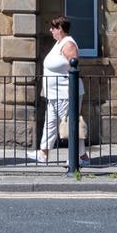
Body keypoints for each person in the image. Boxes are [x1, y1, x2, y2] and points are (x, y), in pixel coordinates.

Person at [37, 15, 87, 165]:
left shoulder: (68, 44)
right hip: (54, 94)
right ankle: (43, 153)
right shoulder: (59, 42)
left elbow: (74, 66)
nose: (50, 30)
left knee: (69, 124)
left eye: (53, 27)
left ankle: (80, 157)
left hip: (66, 93)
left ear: (60, 29)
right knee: (50, 122)